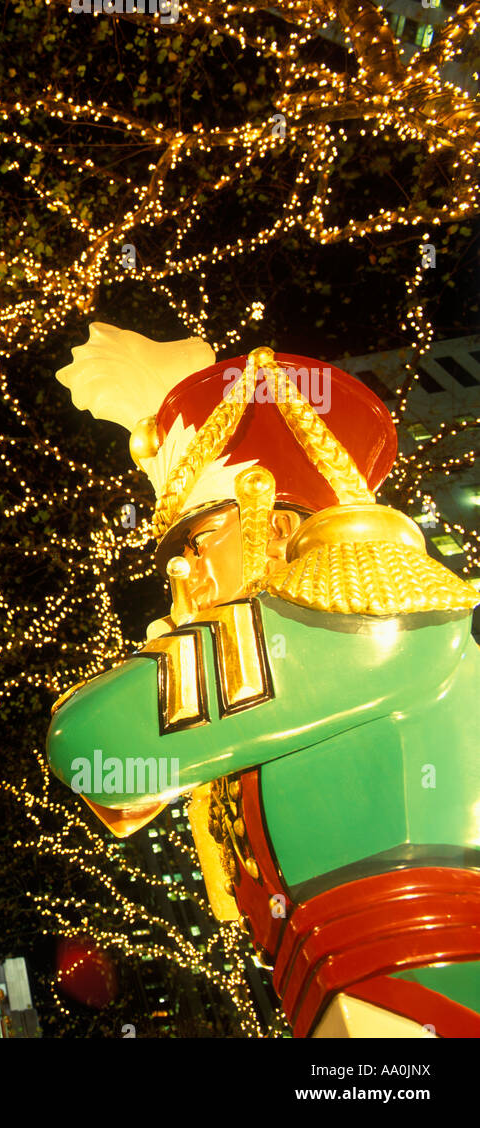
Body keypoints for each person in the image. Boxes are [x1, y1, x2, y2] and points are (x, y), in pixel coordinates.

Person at [47, 324, 480, 1037]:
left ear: (265, 523)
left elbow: (89, 739)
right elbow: (118, 782)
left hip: (432, 989)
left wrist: (179, 653)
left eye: (195, 542)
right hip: (361, 991)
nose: (181, 573)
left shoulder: (369, 597)